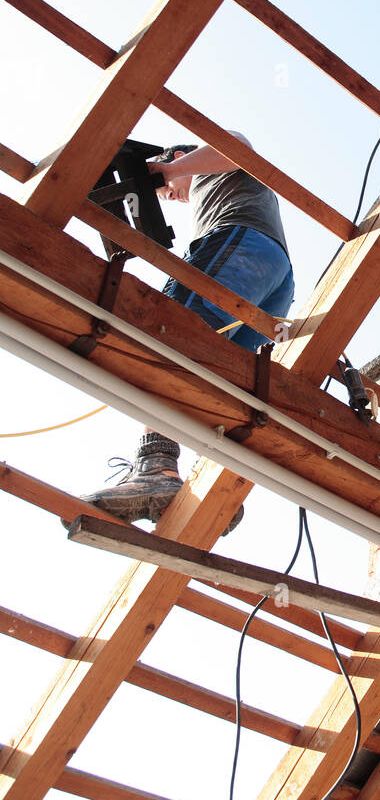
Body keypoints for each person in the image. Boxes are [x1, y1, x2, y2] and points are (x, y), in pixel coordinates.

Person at [79, 134, 294, 529]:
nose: (168, 195)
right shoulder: (232, 192)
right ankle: (213, 492)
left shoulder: (212, 163)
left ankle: (155, 468)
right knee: (217, 381)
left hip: (242, 246)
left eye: (166, 191)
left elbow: (234, 147)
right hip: (273, 280)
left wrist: (171, 170)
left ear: (178, 155)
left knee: (167, 334)